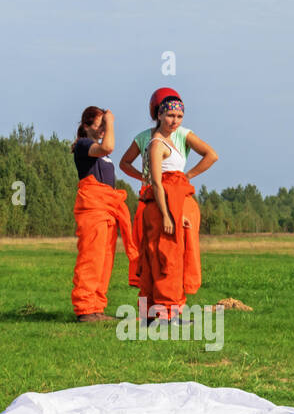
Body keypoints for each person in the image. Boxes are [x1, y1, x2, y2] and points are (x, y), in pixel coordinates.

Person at [119, 88, 217, 295]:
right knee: (158, 252)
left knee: (159, 252)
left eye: (179, 116)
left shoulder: (180, 134)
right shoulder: (151, 139)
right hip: (157, 195)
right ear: (159, 114)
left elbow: (211, 155)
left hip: (168, 194)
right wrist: (148, 178)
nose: (175, 121)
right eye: (170, 115)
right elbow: (127, 164)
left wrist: (186, 177)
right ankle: (161, 306)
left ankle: (157, 305)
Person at [69, 106, 126, 322]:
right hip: (93, 209)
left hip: (107, 210)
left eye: (105, 125)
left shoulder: (102, 153)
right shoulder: (84, 145)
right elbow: (108, 146)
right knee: (91, 258)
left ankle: (96, 307)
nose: (103, 128)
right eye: (99, 124)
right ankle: (85, 309)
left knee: (104, 260)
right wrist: (111, 122)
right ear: (86, 126)